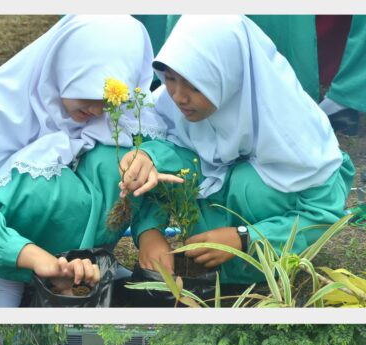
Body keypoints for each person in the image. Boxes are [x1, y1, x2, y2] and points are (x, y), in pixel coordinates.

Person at [126, 16, 355, 286]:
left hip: (266, 265)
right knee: (164, 156)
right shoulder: (171, 108)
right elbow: (163, 166)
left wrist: (245, 237)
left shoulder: (293, 130)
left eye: (196, 86)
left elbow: (322, 214)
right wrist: (149, 232)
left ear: (232, 76)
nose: (179, 96)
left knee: (248, 183)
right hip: (203, 266)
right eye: (171, 78)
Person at [0, 16, 166, 306]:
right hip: (21, 246)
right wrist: (28, 254)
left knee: (120, 159)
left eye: (108, 101)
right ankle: (11, 278)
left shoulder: (118, 114)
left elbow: (166, 158)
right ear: (65, 68)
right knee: (39, 186)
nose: (95, 110)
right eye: (87, 95)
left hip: (85, 246)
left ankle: (95, 261)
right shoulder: (0, 108)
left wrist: (146, 163)